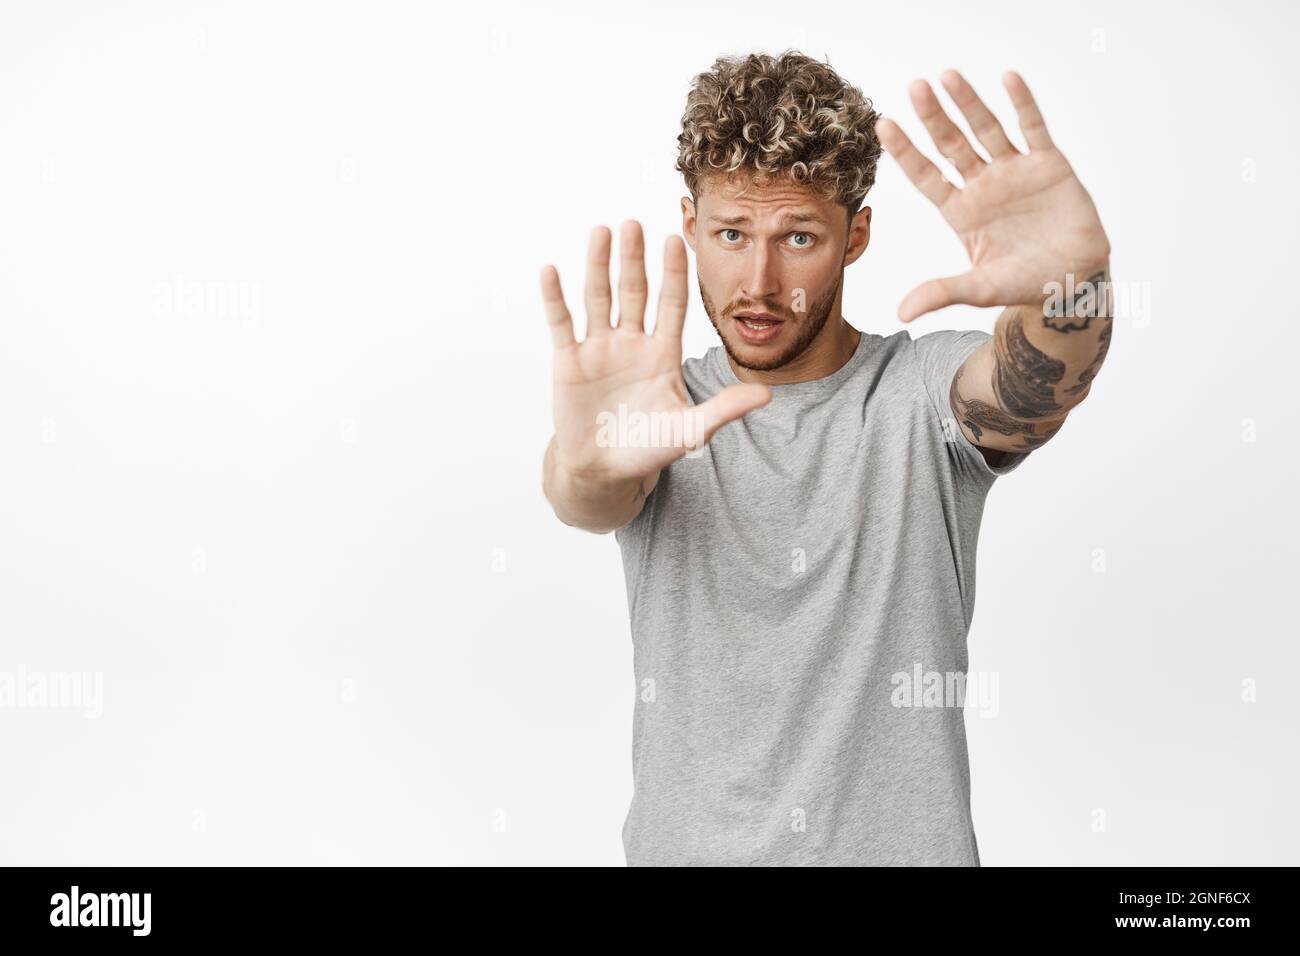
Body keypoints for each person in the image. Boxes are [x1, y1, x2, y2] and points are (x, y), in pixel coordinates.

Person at [538, 51, 1112, 866]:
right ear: (691, 226)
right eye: (732, 234)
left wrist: (1073, 291)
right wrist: (590, 468)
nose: (761, 283)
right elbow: (584, 490)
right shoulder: (659, 411)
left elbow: (1034, 389)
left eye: (798, 236)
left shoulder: (920, 392)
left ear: (858, 236)